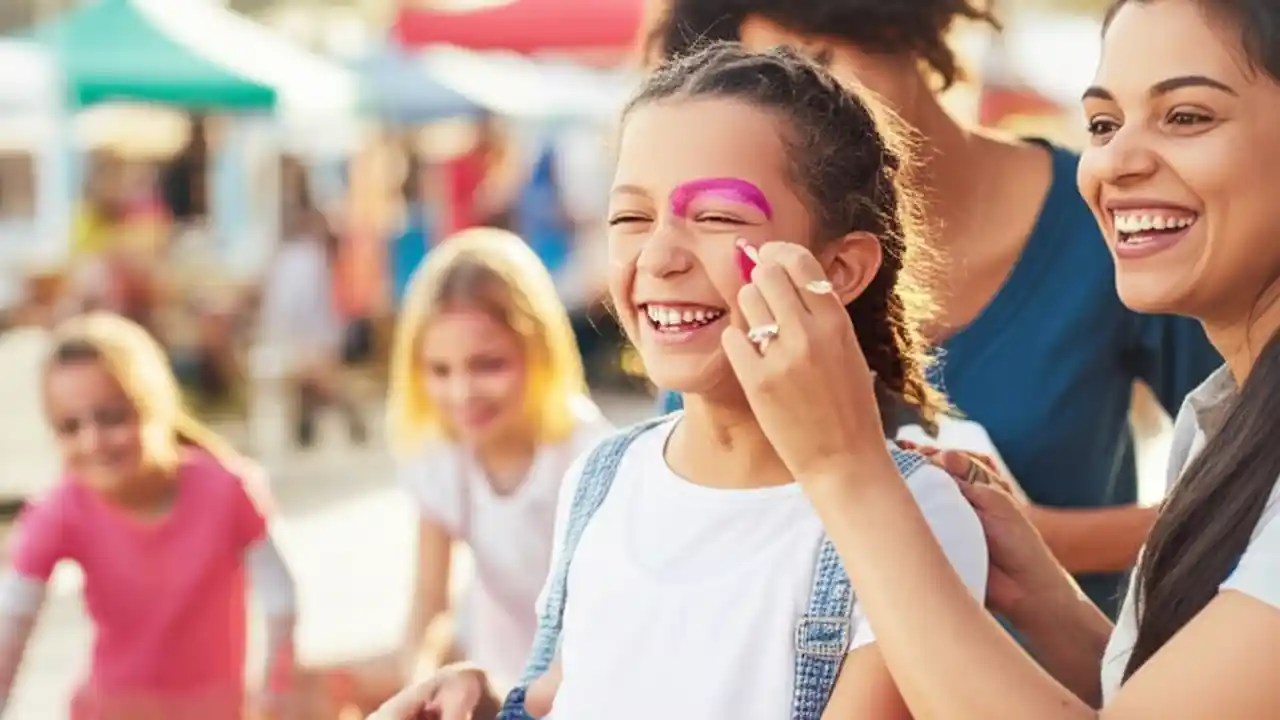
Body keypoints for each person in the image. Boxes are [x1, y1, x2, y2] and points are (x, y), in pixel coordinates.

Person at [372, 43, 988, 720]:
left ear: (839, 270)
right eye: (631, 218)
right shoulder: (602, 478)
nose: (659, 256)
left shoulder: (918, 521)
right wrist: (489, 705)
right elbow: (565, 694)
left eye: (717, 217)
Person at [699, 0, 1280, 716]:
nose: (1116, 162)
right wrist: (1043, 596)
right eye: (1103, 124)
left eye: (1187, 116)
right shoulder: (1222, 411)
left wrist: (846, 470)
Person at [334, 228, 612, 713]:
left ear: (538, 350)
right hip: (493, 682)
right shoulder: (441, 455)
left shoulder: (592, 461)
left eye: (488, 365)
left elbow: (603, 625)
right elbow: (429, 604)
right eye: (440, 370)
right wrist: (423, 688)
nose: (462, 393)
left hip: (582, 691)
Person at [0, 313, 297, 719]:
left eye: (111, 417)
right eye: (70, 427)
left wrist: (275, 689)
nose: (93, 441)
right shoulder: (60, 511)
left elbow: (281, 598)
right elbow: (12, 623)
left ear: (153, 406)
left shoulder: (227, 489)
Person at [257, 196, 367, 449]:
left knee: (321, 383)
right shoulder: (305, 257)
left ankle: (341, 426)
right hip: (310, 332)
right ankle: (309, 432)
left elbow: (298, 302)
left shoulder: (301, 257)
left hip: (309, 333)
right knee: (311, 385)